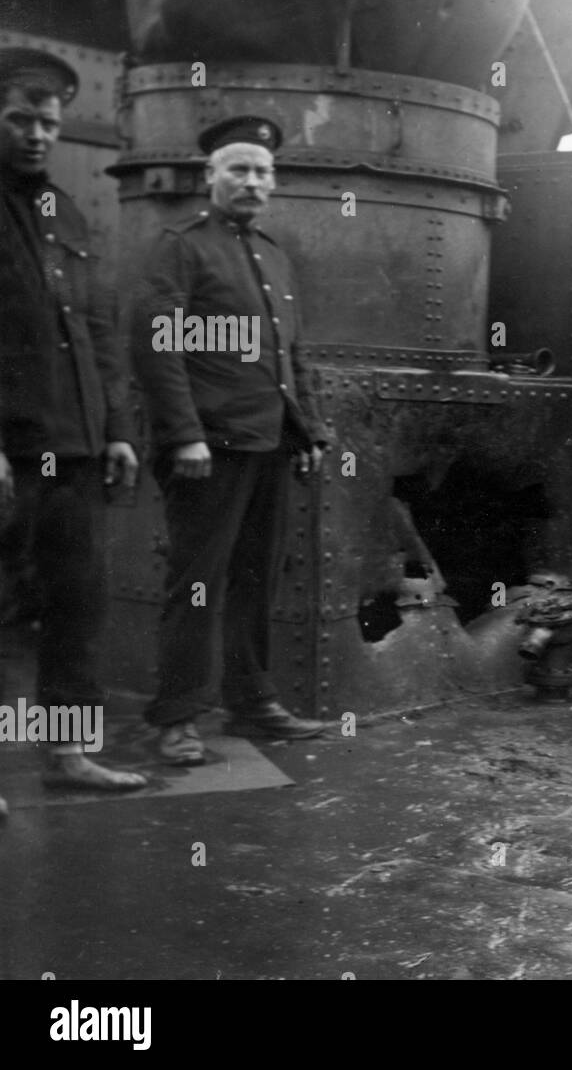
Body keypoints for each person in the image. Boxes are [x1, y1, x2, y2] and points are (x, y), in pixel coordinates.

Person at [129, 115, 329, 765]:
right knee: (196, 583)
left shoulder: (273, 254)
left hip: (267, 444)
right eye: (237, 170)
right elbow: (158, 348)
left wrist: (307, 433)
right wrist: (184, 436)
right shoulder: (181, 246)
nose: (251, 181)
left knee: (254, 579)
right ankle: (178, 716)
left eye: (262, 171)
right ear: (209, 176)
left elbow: (289, 356)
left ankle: (252, 702)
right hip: (208, 449)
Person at [0, 49, 147, 791]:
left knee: (76, 604)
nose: (36, 134)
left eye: (48, 122)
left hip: (77, 447)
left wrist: (117, 427)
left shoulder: (67, 209)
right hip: (11, 451)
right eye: (20, 118)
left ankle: (66, 752)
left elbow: (98, 326)